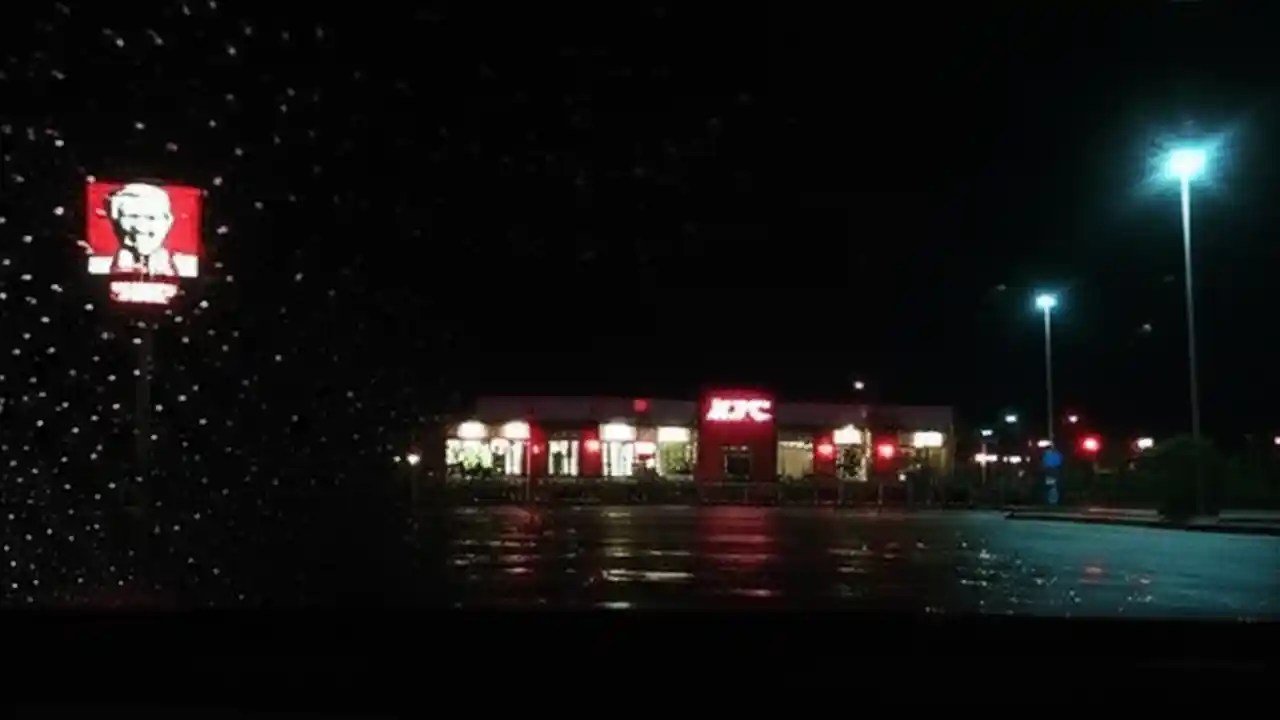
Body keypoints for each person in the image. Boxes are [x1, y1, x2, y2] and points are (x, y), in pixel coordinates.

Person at [97, 183, 197, 277]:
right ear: (115, 221)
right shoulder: (98, 267)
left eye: (151, 218)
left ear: (168, 221)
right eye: (132, 216)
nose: (141, 227)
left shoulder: (190, 267)